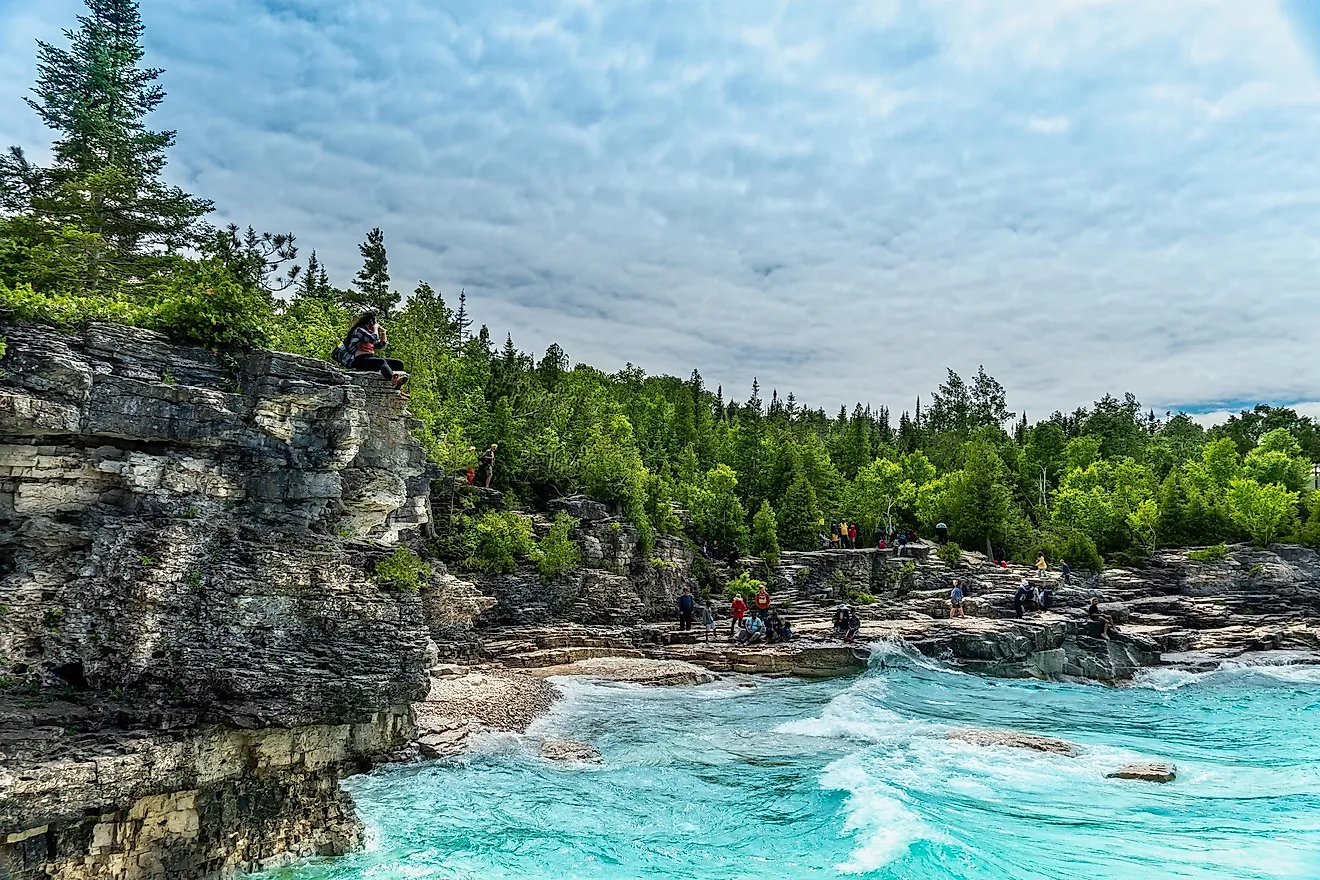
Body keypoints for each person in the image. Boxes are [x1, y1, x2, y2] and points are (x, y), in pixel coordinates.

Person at [342, 312, 409, 395]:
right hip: (359, 360)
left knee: (399, 364)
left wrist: (383, 333)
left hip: (369, 359)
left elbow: (381, 346)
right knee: (381, 362)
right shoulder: (359, 330)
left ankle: (398, 385)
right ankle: (393, 378)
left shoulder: (369, 333)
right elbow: (374, 339)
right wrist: (376, 328)